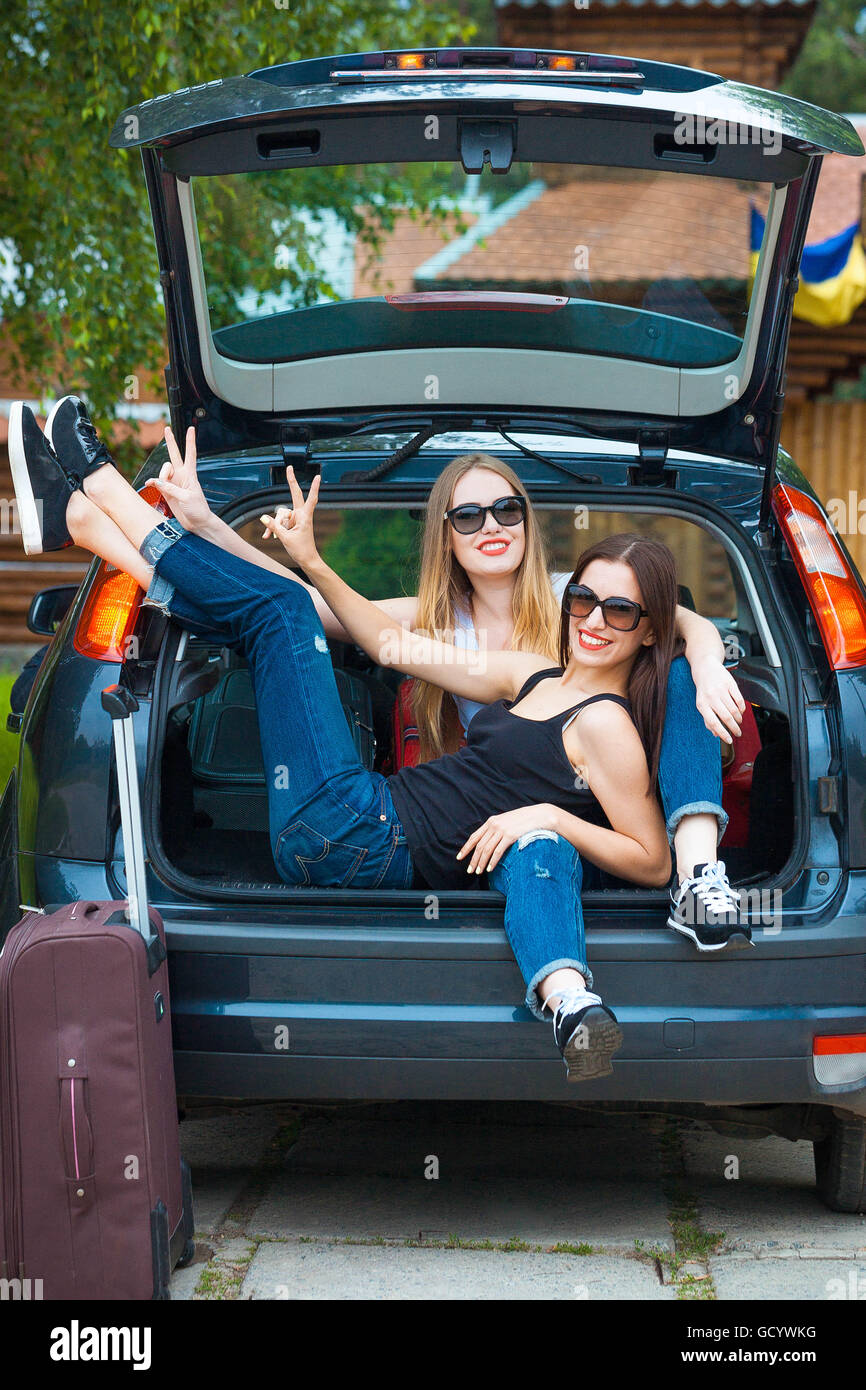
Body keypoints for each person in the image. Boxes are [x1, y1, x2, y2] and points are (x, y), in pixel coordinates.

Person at [10, 405, 692, 1082]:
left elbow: (653, 858)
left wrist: (550, 813)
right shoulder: (526, 672)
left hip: (360, 832)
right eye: (586, 604)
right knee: (276, 614)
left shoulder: (604, 711)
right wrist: (230, 532)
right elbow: (370, 635)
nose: (596, 619)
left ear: (646, 628)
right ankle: (93, 523)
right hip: (364, 822)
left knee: (277, 616)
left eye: (619, 612)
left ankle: (100, 495)